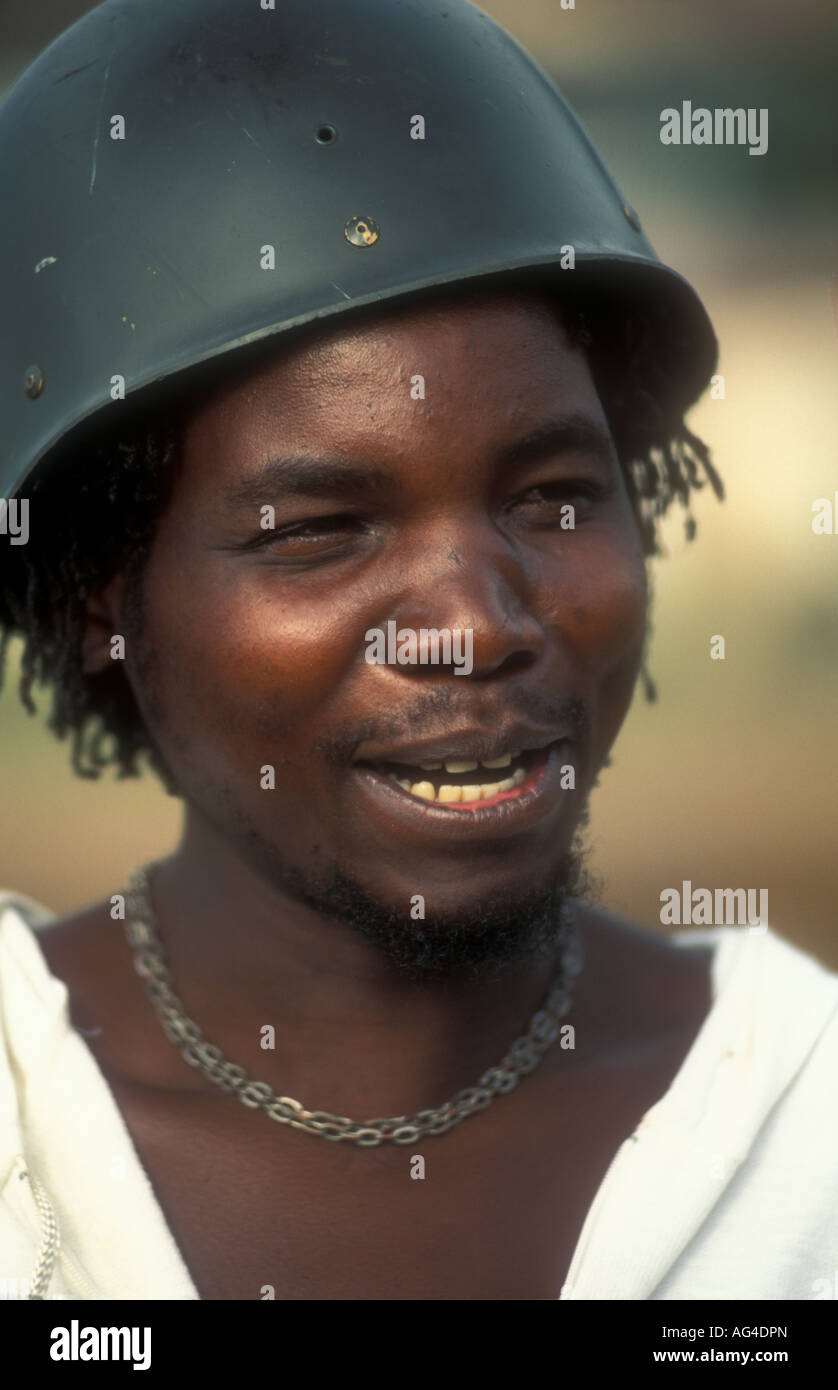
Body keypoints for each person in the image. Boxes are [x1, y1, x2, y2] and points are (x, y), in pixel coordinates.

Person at [1, 0, 836, 1303]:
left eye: (551, 498)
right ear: (102, 594)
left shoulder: (799, 1127)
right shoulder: (22, 1150)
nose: (478, 625)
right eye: (321, 531)